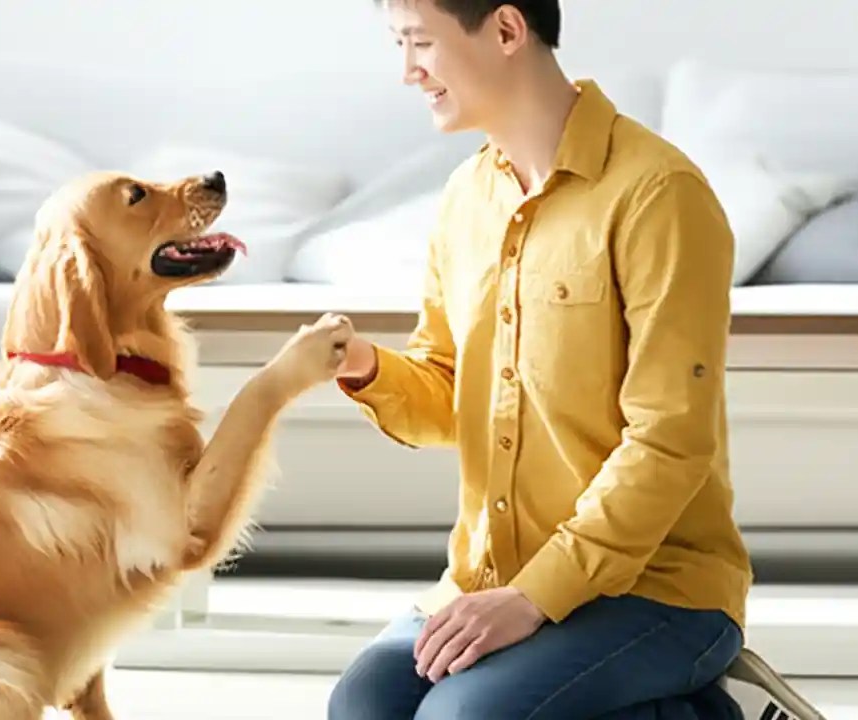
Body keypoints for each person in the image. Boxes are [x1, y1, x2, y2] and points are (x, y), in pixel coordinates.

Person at [324, 1, 827, 719]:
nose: (407, 71)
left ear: (504, 31)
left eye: (419, 43)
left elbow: (669, 441)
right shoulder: (467, 196)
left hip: (657, 587)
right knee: (365, 701)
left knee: (464, 716)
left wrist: (534, 597)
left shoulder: (658, 194)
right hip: (492, 579)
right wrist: (368, 368)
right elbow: (447, 392)